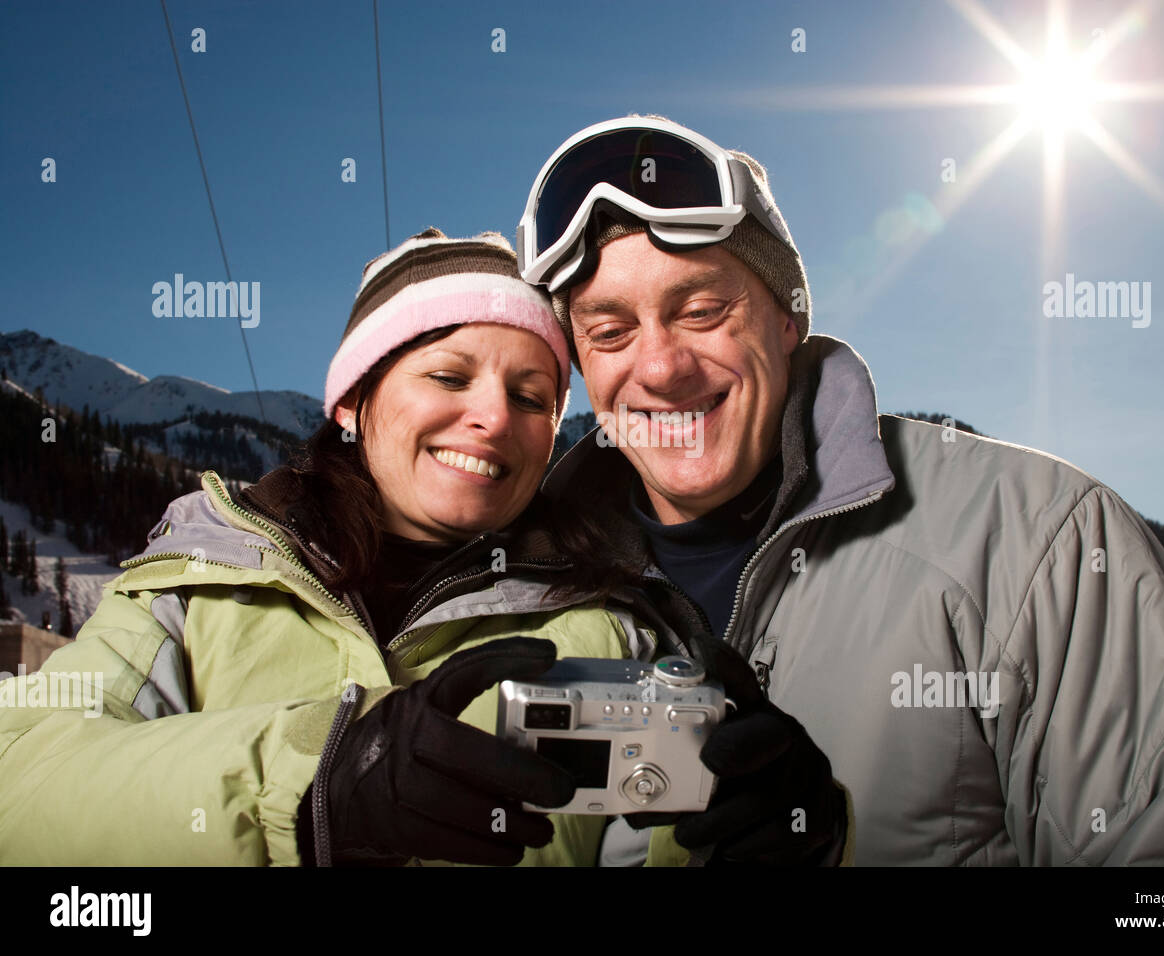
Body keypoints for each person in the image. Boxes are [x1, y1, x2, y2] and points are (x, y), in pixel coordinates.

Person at [517, 115, 1164, 865]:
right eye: (611, 332)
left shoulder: (1037, 541)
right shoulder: (528, 587)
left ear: (786, 320)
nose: (660, 368)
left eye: (702, 309)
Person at [0, 228, 676, 866]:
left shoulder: (611, 631)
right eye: (449, 377)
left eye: (531, 398)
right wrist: (307, 782)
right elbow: (21, 783)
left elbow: (655, 843)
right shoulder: (194, 586)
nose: (495, 417)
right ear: (353, 400)